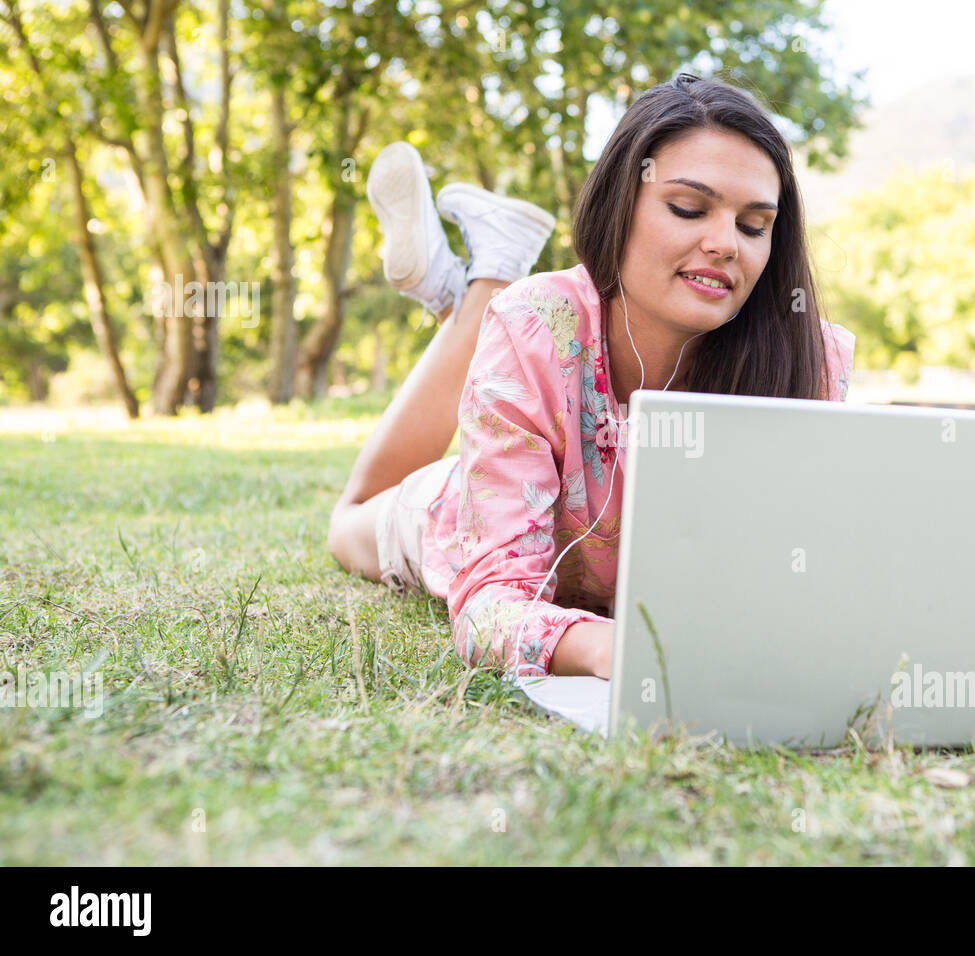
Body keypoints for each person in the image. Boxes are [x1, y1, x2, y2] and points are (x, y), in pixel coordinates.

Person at [327, 73, 856, 682]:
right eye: (688, 208)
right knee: (349, 517)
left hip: (539, 448)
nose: (725, 244)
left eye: (753, 225)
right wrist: (614, 649)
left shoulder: (811, 362)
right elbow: (490, 605)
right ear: (618, 206)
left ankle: (471, 285)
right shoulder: (537, 327)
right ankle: (483, 286)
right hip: (474, 509)